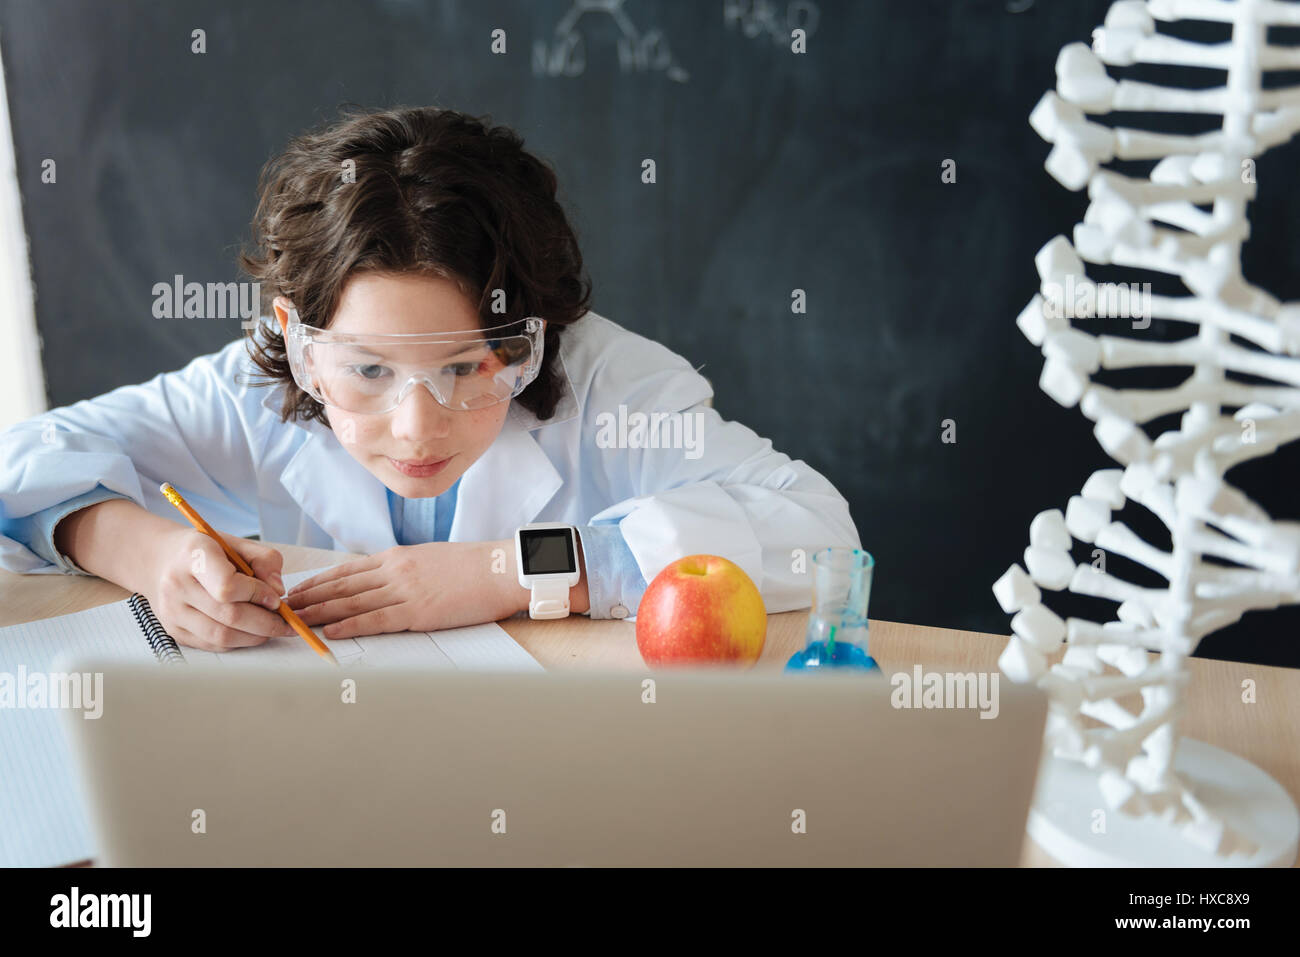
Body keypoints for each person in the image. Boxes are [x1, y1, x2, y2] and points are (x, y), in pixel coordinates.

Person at [0, 106, 860, 652]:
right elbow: (21, 461)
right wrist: (148, 554)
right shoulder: (252, 390)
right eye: (369, 368)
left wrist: (507, 571)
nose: (418, 427)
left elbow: (819, 533)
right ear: (300, 343)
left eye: (464, 366)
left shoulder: (610, 384)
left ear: (535, 335)